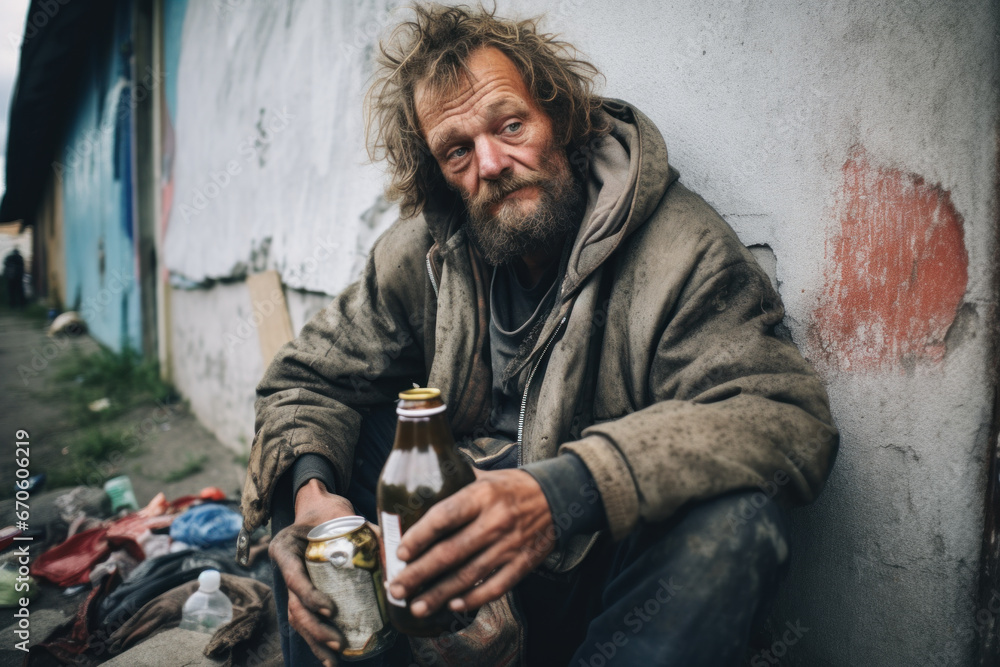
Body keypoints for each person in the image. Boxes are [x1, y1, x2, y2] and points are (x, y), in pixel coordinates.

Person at [238, 5, 838, 666]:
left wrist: (561, 492)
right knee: (320, 484)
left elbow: (784, 415)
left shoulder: (679, 252)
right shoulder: (423, 255)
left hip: (589, 586)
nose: (490, 163)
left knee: (739, 514)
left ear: (562, 117)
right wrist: (312, 494)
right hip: (452, 585)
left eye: (511, 124)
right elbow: (307, 376)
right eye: (457, 150)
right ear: (439, 173)